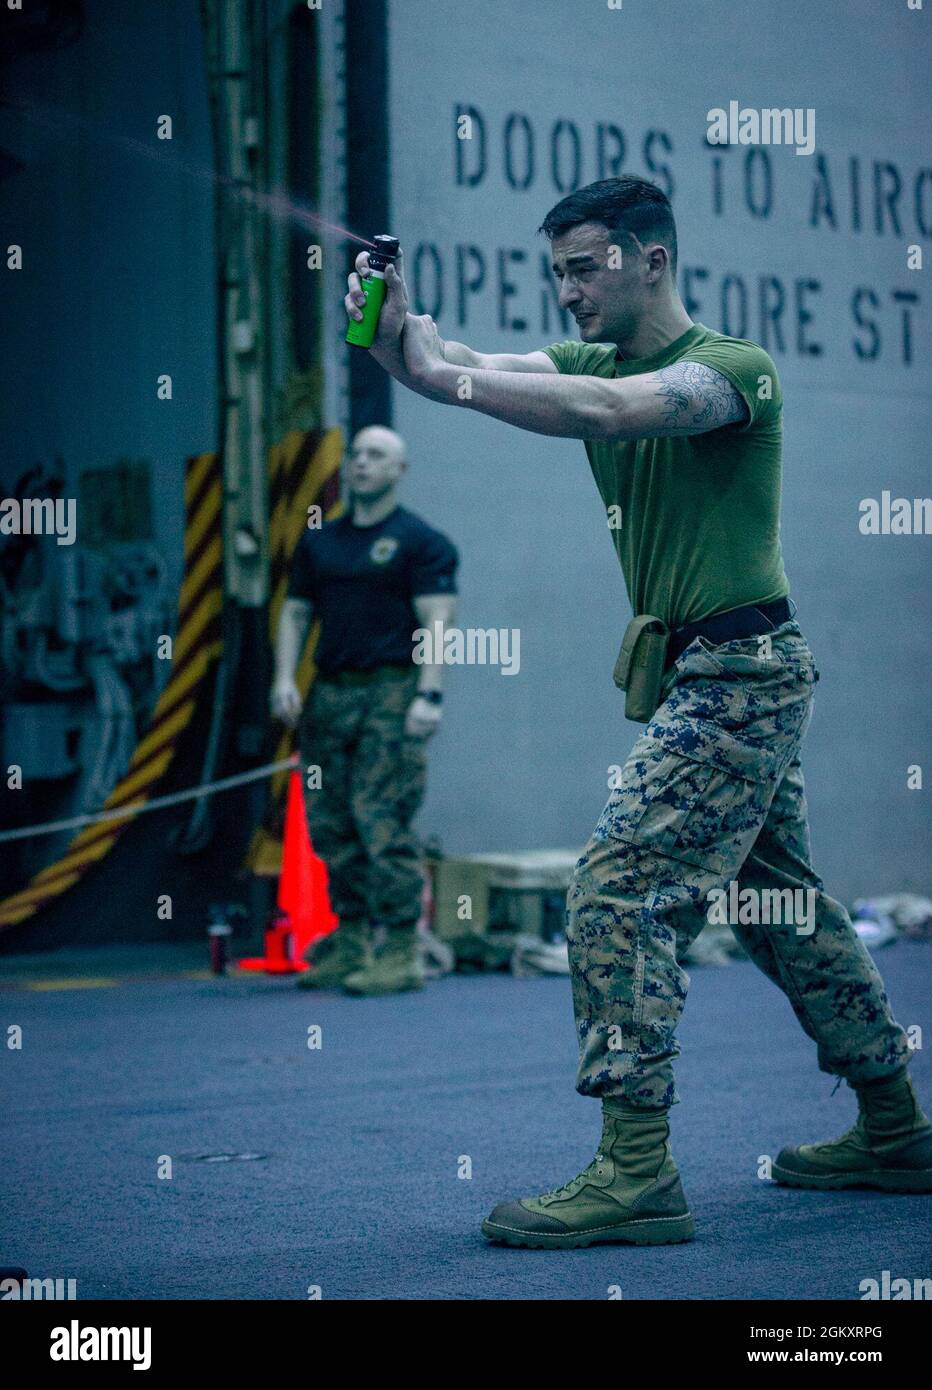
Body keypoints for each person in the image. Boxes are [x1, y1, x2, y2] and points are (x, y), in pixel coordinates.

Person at [344, 175, 931, 1246]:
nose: (566, 292)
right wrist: (400, 344)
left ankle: (634, 1169)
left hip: (739, 672)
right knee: (779, 904)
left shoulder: (729, 370)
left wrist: (431, 368)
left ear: (648, 260)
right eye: (557, 271)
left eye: (585, 268)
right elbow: (469, 370)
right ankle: (896, 1131)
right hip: (715, 673)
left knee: (616, 888)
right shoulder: (588, 362)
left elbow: (609, 414)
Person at [271, 425, 458, 996]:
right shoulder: (321, 542)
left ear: (400, 469)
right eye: (355, 454)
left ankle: (401, 949)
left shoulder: (421, 542)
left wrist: (430, 695)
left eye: (376, 455)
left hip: (393, 689)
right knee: (331, 821)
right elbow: (295, 613)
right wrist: (284, 677)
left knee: (382, 817)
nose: (361, 463)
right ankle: (349, 940)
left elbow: (438, 624)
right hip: (332, 692)